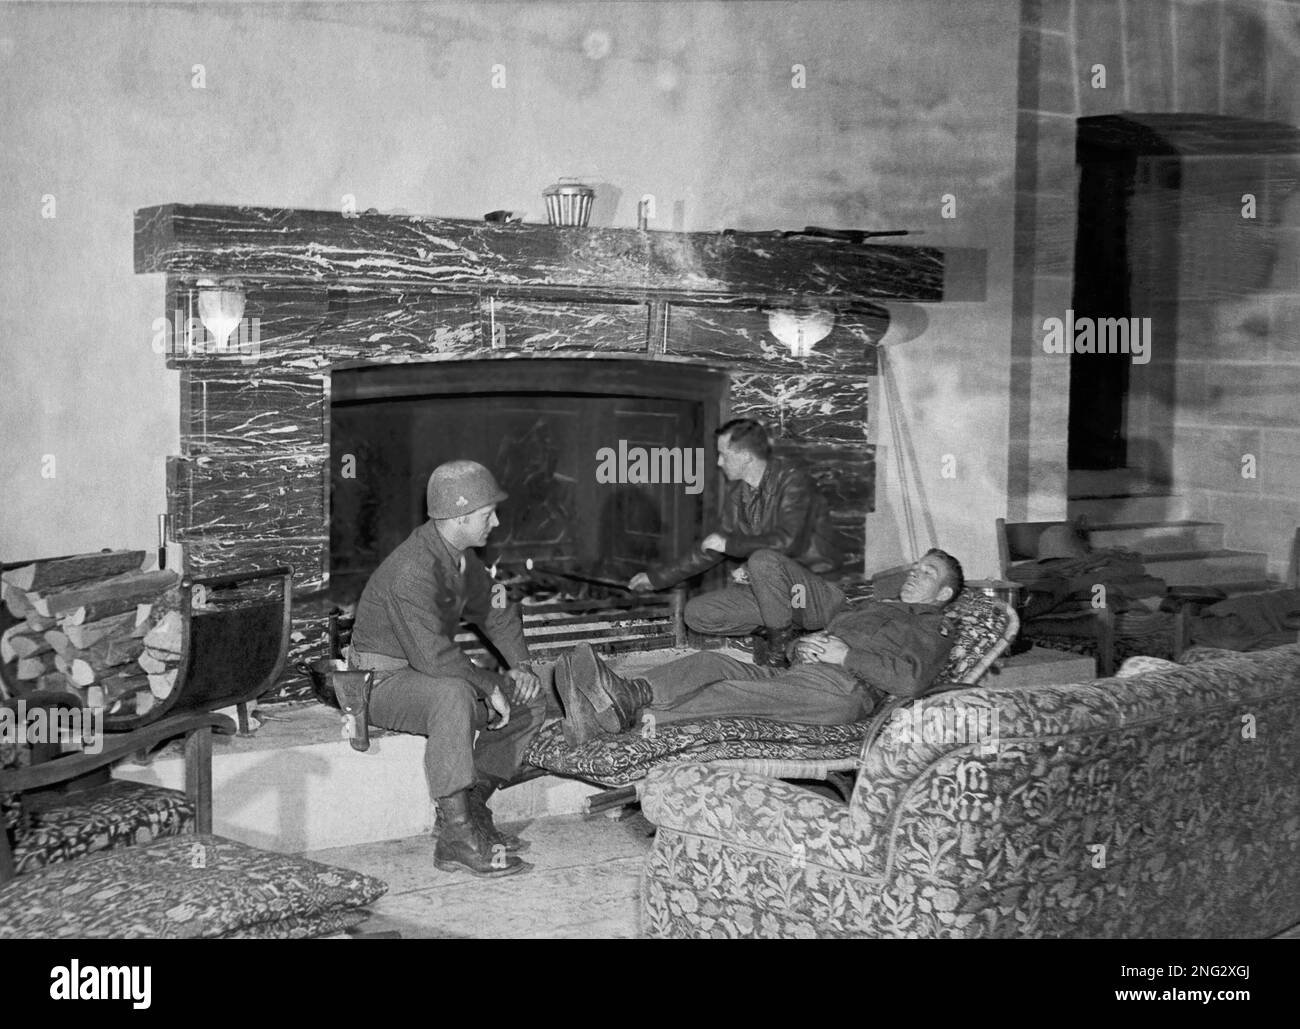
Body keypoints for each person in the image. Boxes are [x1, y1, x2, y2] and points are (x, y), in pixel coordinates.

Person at [348, 460, 546, 878]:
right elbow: (434, 659)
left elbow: (496, 609)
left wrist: (521, 667)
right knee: (452, 695)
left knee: (528, 697)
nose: (495, 520)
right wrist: (488, 683)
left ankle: (472, 807)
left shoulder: (456, 558)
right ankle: (455, 837)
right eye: (486, 513)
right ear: (458, 518)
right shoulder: (412, 569)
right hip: (382, 683)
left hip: (424, 670)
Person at [559, 549, 964, 745]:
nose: (914, 573)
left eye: (927, 572)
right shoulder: (875, 607)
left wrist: (847, 656)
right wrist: (800, 647)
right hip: (804, 675)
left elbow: (912, 680)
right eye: (915, 567)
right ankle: (630, 693)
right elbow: (815, 638)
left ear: (943, 593)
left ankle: (620, 723)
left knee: (727, 693)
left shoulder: (934, 627)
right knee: (710, 661)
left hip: (843, 693)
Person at [626, 418, 846, 662]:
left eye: (723, 454)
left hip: (817, 596)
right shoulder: (739, 495)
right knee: (697, 613)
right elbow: (711, 549)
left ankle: (778, 653)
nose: (719, 462)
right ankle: (783, 634)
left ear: (746, 456)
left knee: (762, 560)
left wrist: (737, 551)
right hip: (777, 598)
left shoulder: (795, 482)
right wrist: (656, 578)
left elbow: (788, 541)